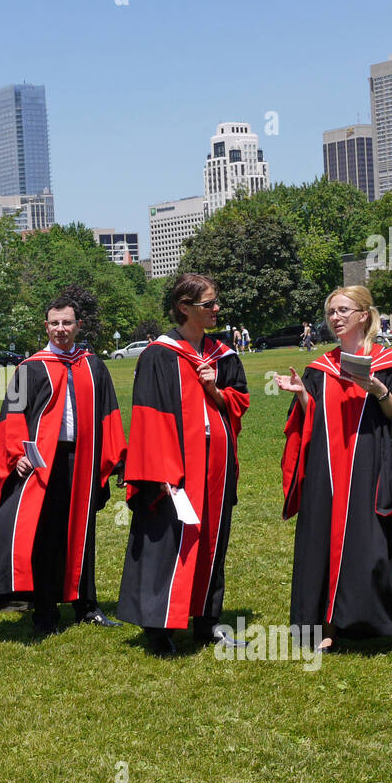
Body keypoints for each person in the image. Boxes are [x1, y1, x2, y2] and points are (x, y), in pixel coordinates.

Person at [277, 285, 392, 653]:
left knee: (380, 541)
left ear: (364, 316)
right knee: (325, 541)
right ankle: (329, 624)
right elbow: (310, 421)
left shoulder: (391, 364)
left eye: (344, 310)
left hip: (372, 466)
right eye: (331, 312)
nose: (336, 317)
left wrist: (378, 390)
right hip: (328, 470)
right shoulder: (320, 368)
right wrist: (300, 394)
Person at [115, 274, 250, 655]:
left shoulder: (222, 353)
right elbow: (148, 418)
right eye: (208, 304)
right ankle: (159, 630)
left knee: (211, 541)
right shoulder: (159, 355)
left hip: (216, 464)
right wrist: (162, 473)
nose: (216, 309)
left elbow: (239, 402)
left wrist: (214, 387)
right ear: (184, 308)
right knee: (169, 542)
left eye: (216, 302)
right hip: (175, 466)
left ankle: (206, 623)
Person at [0, 298, 127, 634]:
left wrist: (117, 457)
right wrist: (17, 454)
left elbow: (110, 413)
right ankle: (45, 611)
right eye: (55, 324)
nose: (61, 329)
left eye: (67, 323)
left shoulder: (93, 364)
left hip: (84, 457)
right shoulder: (31, 367)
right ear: (45, 327)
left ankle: (86, 606)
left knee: (84, 531)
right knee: (46, 535)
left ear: (78, 325)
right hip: (44, 463)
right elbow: (12, 416)